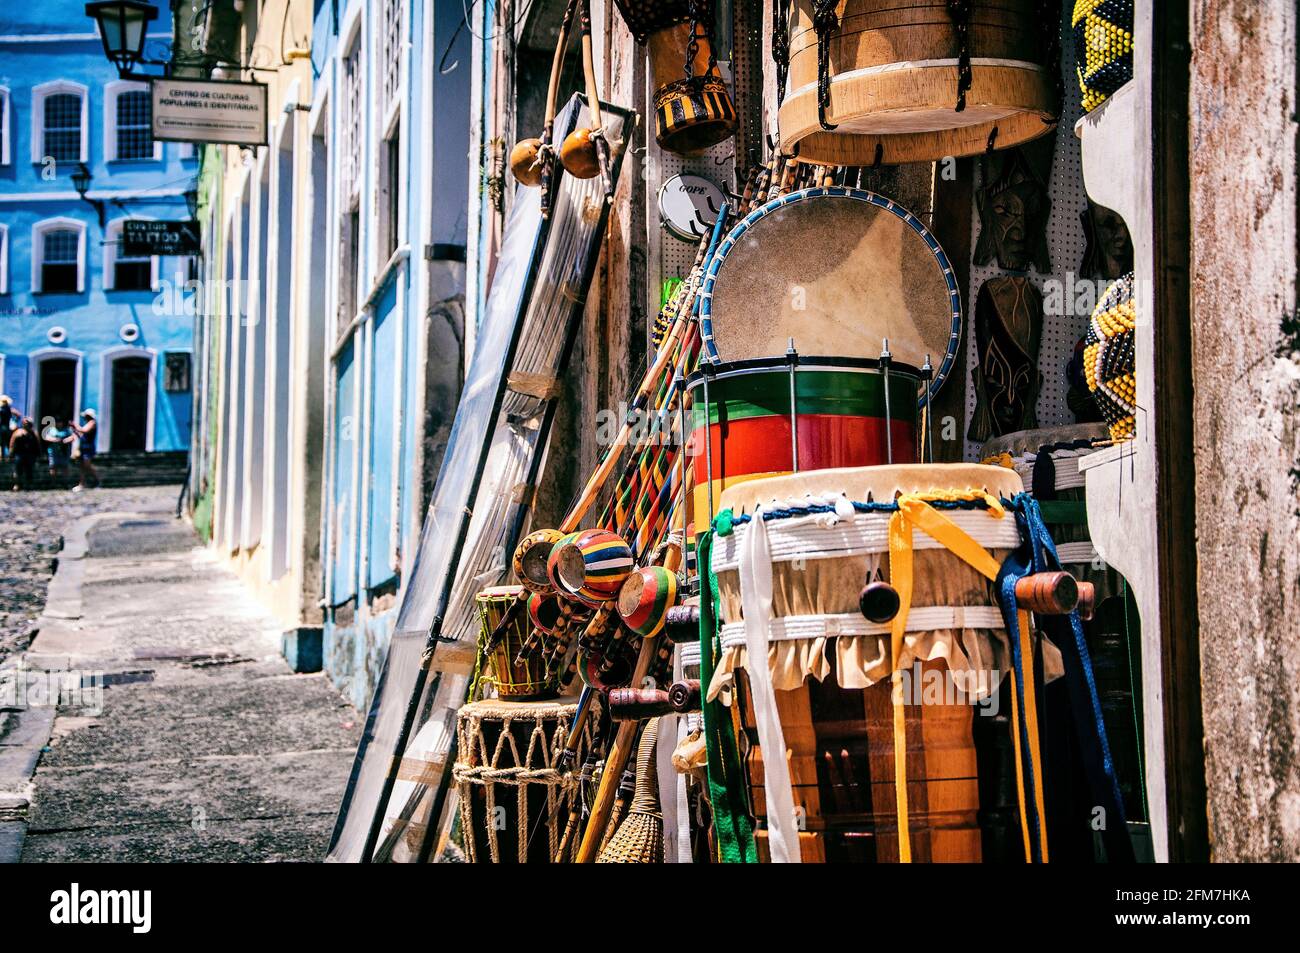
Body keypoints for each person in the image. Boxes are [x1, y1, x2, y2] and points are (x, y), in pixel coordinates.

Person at [71, 409, 100, 492]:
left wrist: (75, 425)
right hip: (83, 447)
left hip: (88, 447)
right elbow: (82, 435)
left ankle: (97, 480)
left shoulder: (92, 423)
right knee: (82, 466)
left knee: (87, 465)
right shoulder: (87, 424)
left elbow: (84, 431)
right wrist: (75, 430)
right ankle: (82, 484)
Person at [9, 417, 39, 491]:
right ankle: (17, 485)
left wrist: (38, 454)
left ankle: (28, 485)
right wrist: (11, 453)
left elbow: (37, 444)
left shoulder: (33, 433)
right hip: (19, 454)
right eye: (25, 423)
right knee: (18, 470)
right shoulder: (18, 432)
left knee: (29, 470)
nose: (26, 424)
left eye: (27, 423)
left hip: (30, 455)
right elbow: (12, 443)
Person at [44, 418, 74, 483]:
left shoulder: (66, 430)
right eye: (57, 422)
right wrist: (55, 440)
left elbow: (72, 437)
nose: (58, 423)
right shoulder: (51, 429)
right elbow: (46, 437)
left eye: (59, 422)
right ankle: (53, 482)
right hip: (53, 451)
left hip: (64, 452)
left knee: (64, 466)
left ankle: (66, 482)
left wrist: (65, 440)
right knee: (53, 466)